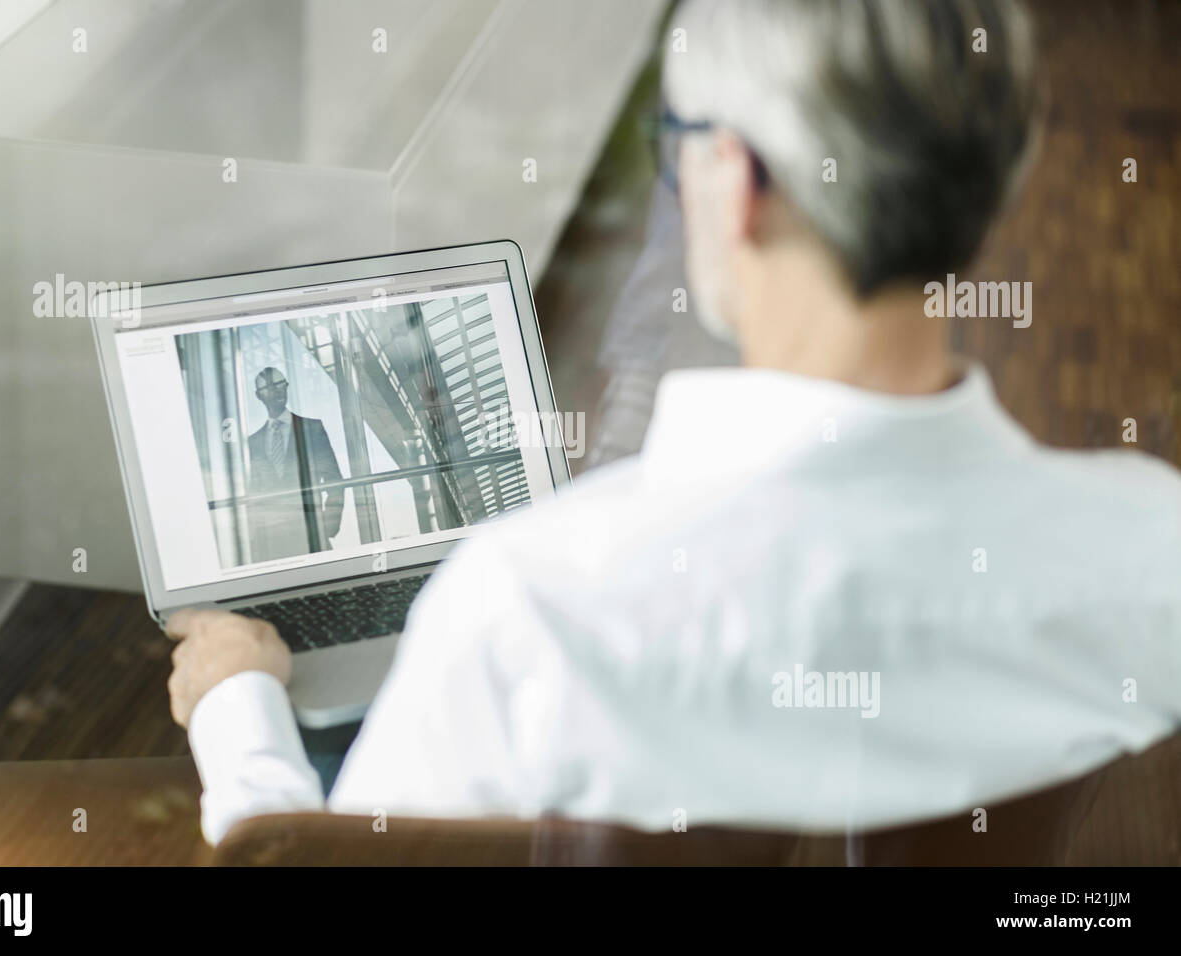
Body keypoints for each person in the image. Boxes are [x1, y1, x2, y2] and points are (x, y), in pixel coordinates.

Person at [167, 0, 1181, 846]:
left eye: (676, 143)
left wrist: (238, 708)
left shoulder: (534, 606)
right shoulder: (1152, 551)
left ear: (735, 180)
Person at [244, 367, 345, 560]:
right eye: (269, 387)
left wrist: (328, 524)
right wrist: (253, 534)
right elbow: (253, 493)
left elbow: (334, 480)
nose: (277, 390)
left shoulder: (312, 429)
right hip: (269, 540)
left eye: (281, 384)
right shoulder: (253, 442)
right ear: (259, 396)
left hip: (309, 533)